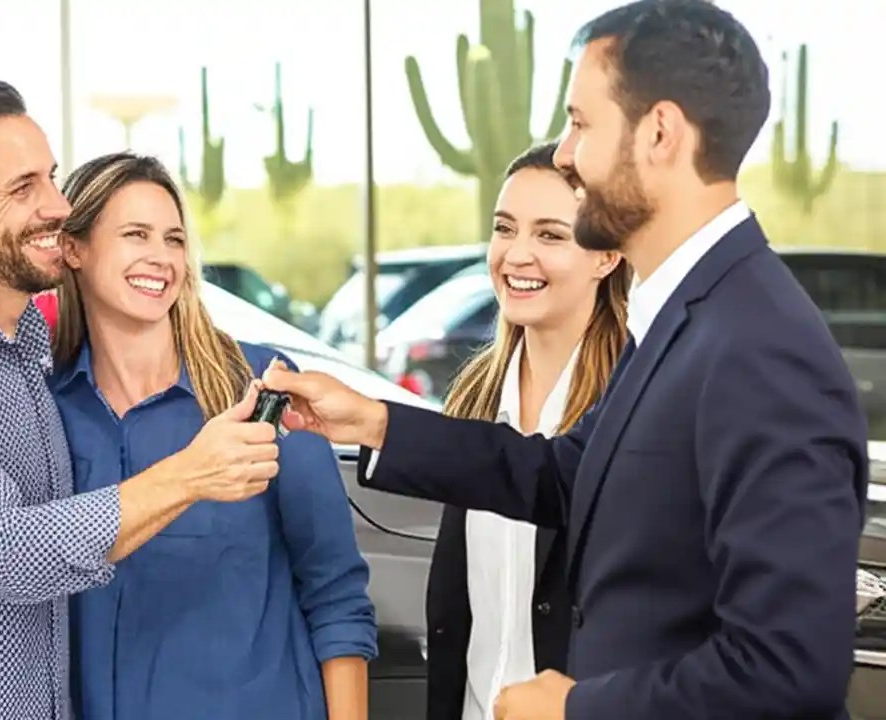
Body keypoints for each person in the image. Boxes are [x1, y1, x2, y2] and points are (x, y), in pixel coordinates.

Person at [262, 1, 868, 718]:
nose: (565, 153)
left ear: (660, 133)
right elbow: (560, 476)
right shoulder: (683, 317)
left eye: (580, 123)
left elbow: (790, 669)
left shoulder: (758, 349)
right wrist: (373, 423)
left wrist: (578, 707)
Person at [0, 80, 283, 720]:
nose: (58, 206)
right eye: (21, 189)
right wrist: (193, 472)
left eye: (50, 177)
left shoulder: (30, 349)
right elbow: (9, 551)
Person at [49, 151, 377, 720]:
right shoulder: (46, 409)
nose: (161, 258)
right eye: (136, 234)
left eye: (174, 240)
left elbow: (336, 595)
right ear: (74, 248)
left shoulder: (259, 393)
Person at [401, 141, 628, 720]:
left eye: (550, 235)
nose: (516, 255)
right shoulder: (475, 392)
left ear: (606, 255)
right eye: (506, 229)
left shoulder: (635, 401)